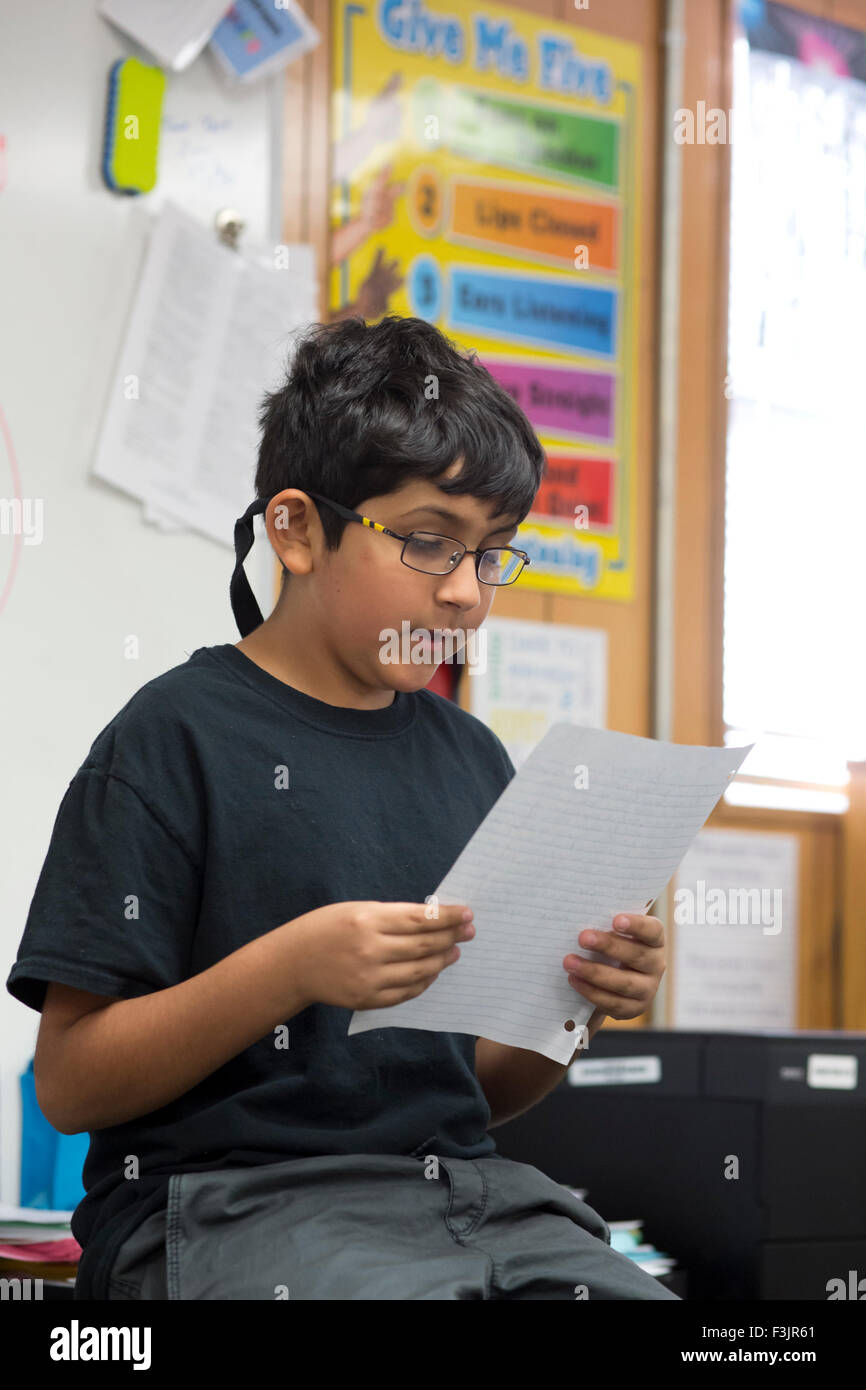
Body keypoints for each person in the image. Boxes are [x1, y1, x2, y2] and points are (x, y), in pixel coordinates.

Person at [6, 314, 677, 1300]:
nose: (465, 595)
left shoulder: (471, 759)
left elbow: (472, 1095)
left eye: (491, 553)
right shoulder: (173, 739)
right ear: (295, 529)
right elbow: (69, 1084)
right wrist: (290, 967)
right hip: (230, 1209)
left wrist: (572, 1000)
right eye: (425, 543)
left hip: (462, 1203)